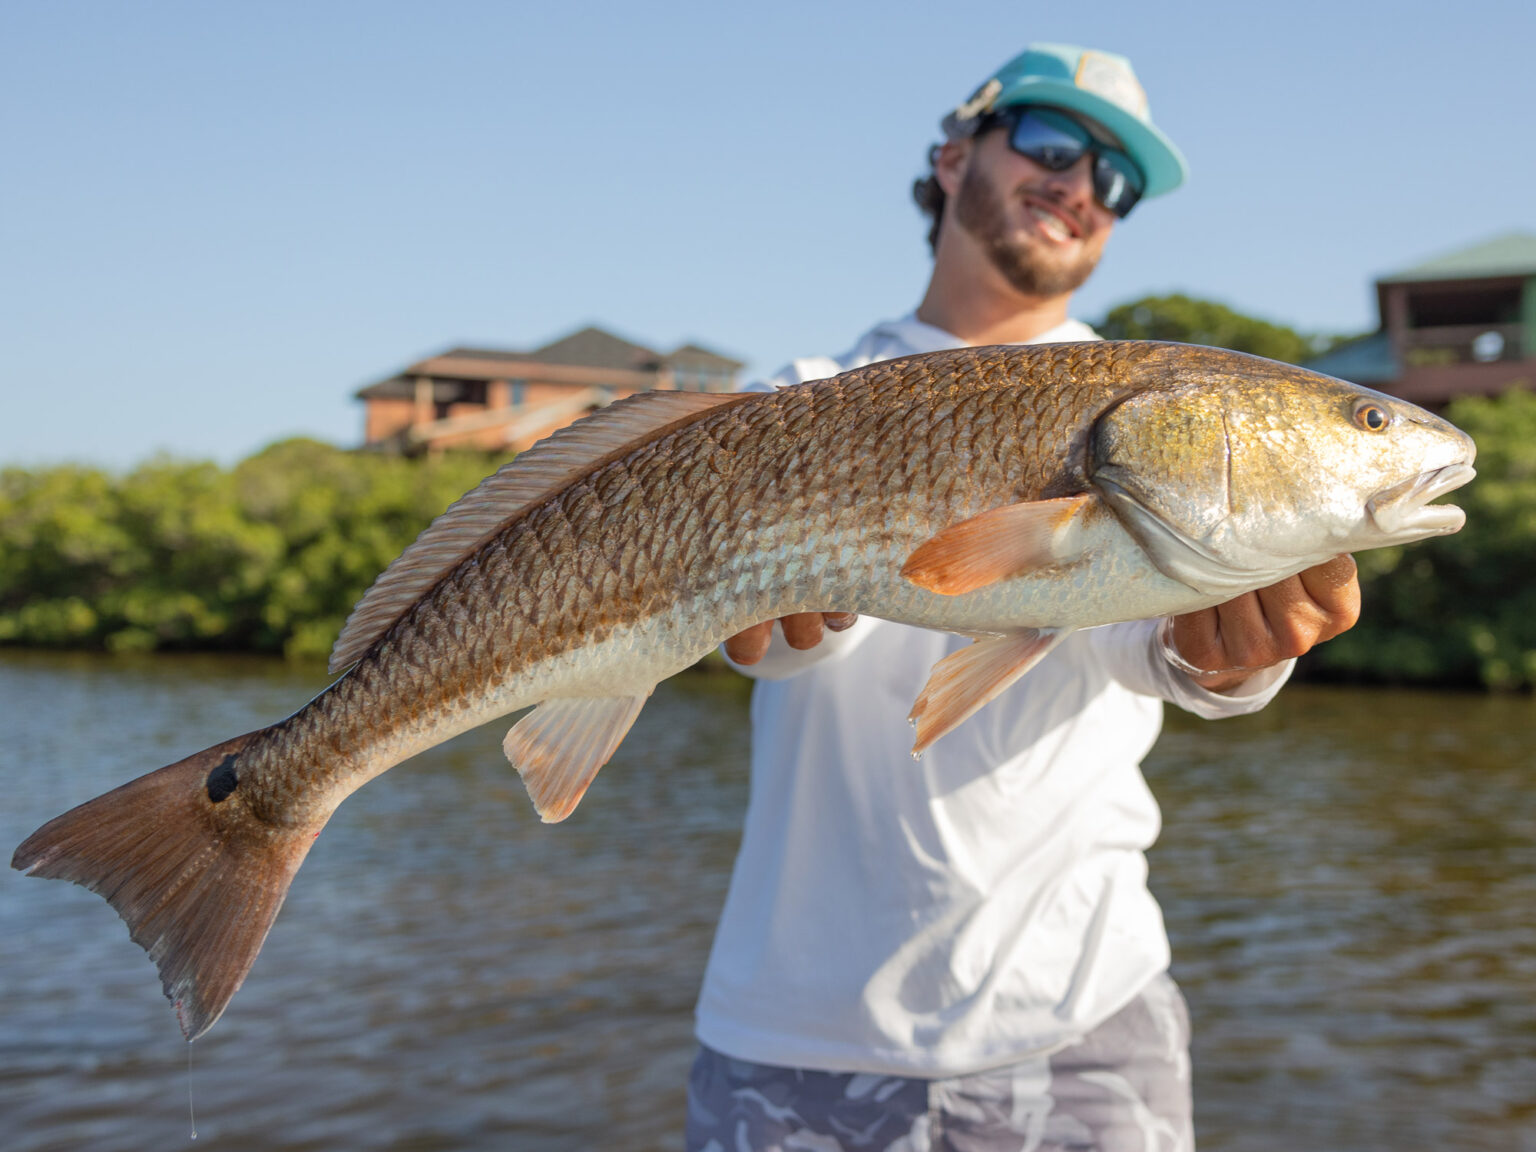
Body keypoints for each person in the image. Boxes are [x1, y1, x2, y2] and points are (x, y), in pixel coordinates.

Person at [684, 43, 1361, 1152]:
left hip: (1086, 1025)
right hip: (796, 1033)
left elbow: (1167, 649)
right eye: (1053, 143)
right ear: (953, 155)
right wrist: (768, 623)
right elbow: (778, 646)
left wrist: (1240, 649)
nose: (1082, 184)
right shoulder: (797, 398)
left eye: (1117, 178)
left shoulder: (1167, 411)